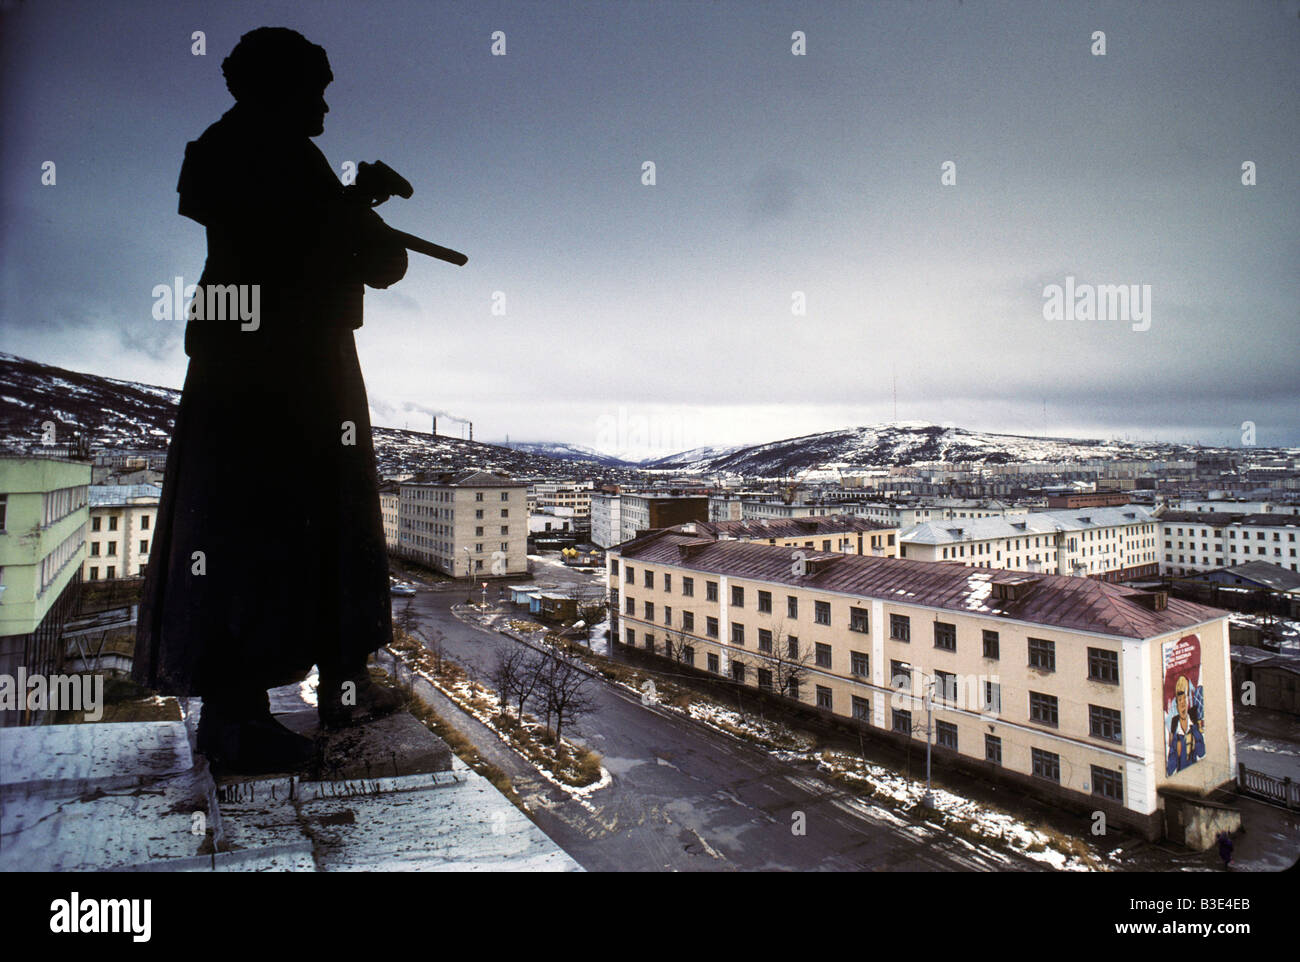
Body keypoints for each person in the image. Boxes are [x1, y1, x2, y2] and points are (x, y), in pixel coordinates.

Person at [134, 27, 406, 773]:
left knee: (296, 526)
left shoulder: (253, 153)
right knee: (260, 531)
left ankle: (321, 689)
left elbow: (332, 244)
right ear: (278, 88)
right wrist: (357, 207)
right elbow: (361, 257)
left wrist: (352, 205)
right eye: (313, 87)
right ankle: (236, 717)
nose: (324, 103)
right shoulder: (259, 154)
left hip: (277, 366)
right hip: (278, 375)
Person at [1166, 674, 1206, 775]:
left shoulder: (1194, 727)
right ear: (1176, 705)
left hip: (1194, 772)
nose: (1183, 703)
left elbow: (1202, 753)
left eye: (1185, 699)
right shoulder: (1175, 730)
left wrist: (1195, 736)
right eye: (1180, 700)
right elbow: (1171, 762)